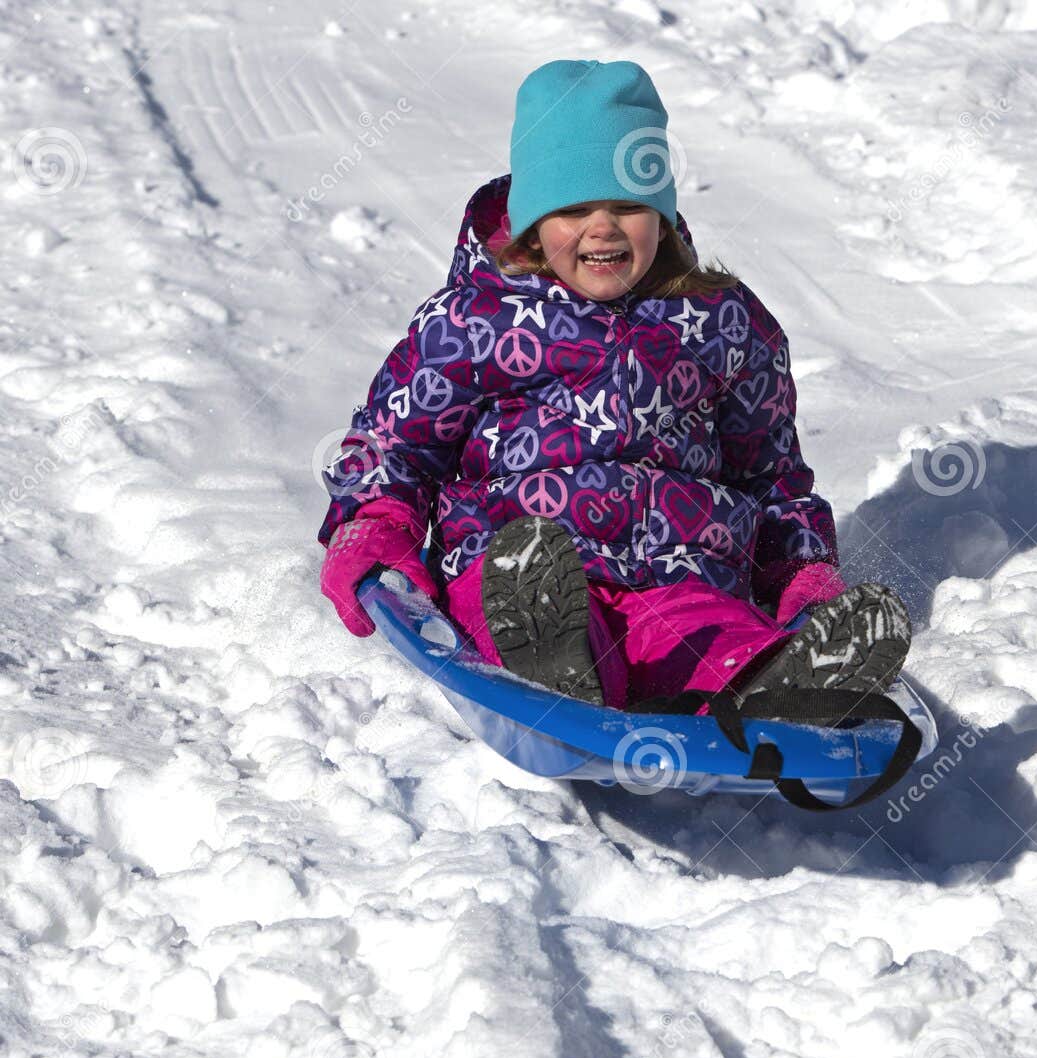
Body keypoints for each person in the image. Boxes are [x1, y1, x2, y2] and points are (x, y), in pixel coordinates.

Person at [317, 59, 909, 709]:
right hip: (515, 558)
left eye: (628, 205)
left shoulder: (723, 321)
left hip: (681, 575)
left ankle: (779, 685)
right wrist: (376, 520)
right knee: (520, 594)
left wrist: (798, 568)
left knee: (715, 639)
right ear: (532, 219)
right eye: (573, 208)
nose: (603, 227)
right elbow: (397, 439)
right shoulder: (476, 318)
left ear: (661, 211)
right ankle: (544, 661)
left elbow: (769, 471)